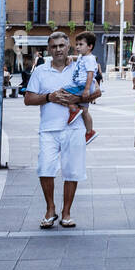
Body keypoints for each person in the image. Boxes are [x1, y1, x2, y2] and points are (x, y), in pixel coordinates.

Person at [24, 32, 99, 229]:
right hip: (48, 129)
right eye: (54, 46)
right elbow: (28, 99)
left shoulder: (80, 65)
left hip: (74, 128)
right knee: (45, 168)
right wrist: (49, 97)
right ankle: (50, 208)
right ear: (49, 49)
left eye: (61, 46)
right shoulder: (40, 71)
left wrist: (77, 99)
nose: (58, 49)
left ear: (68, 47)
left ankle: (66, 213)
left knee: (72, 171)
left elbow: (96, 92)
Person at [62, 31, 99, 145]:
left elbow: (90, 74)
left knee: (62, 92)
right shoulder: (83, 57)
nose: (77, 47)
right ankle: (89, 132)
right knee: (85, 110)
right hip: (83, 85)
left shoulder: (89, 59)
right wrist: (70, 57)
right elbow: (77, 58)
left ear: (90, 46)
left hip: (82, 85)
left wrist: (87, 89)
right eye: (76, 44)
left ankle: (73, 109)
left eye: (80, 44)